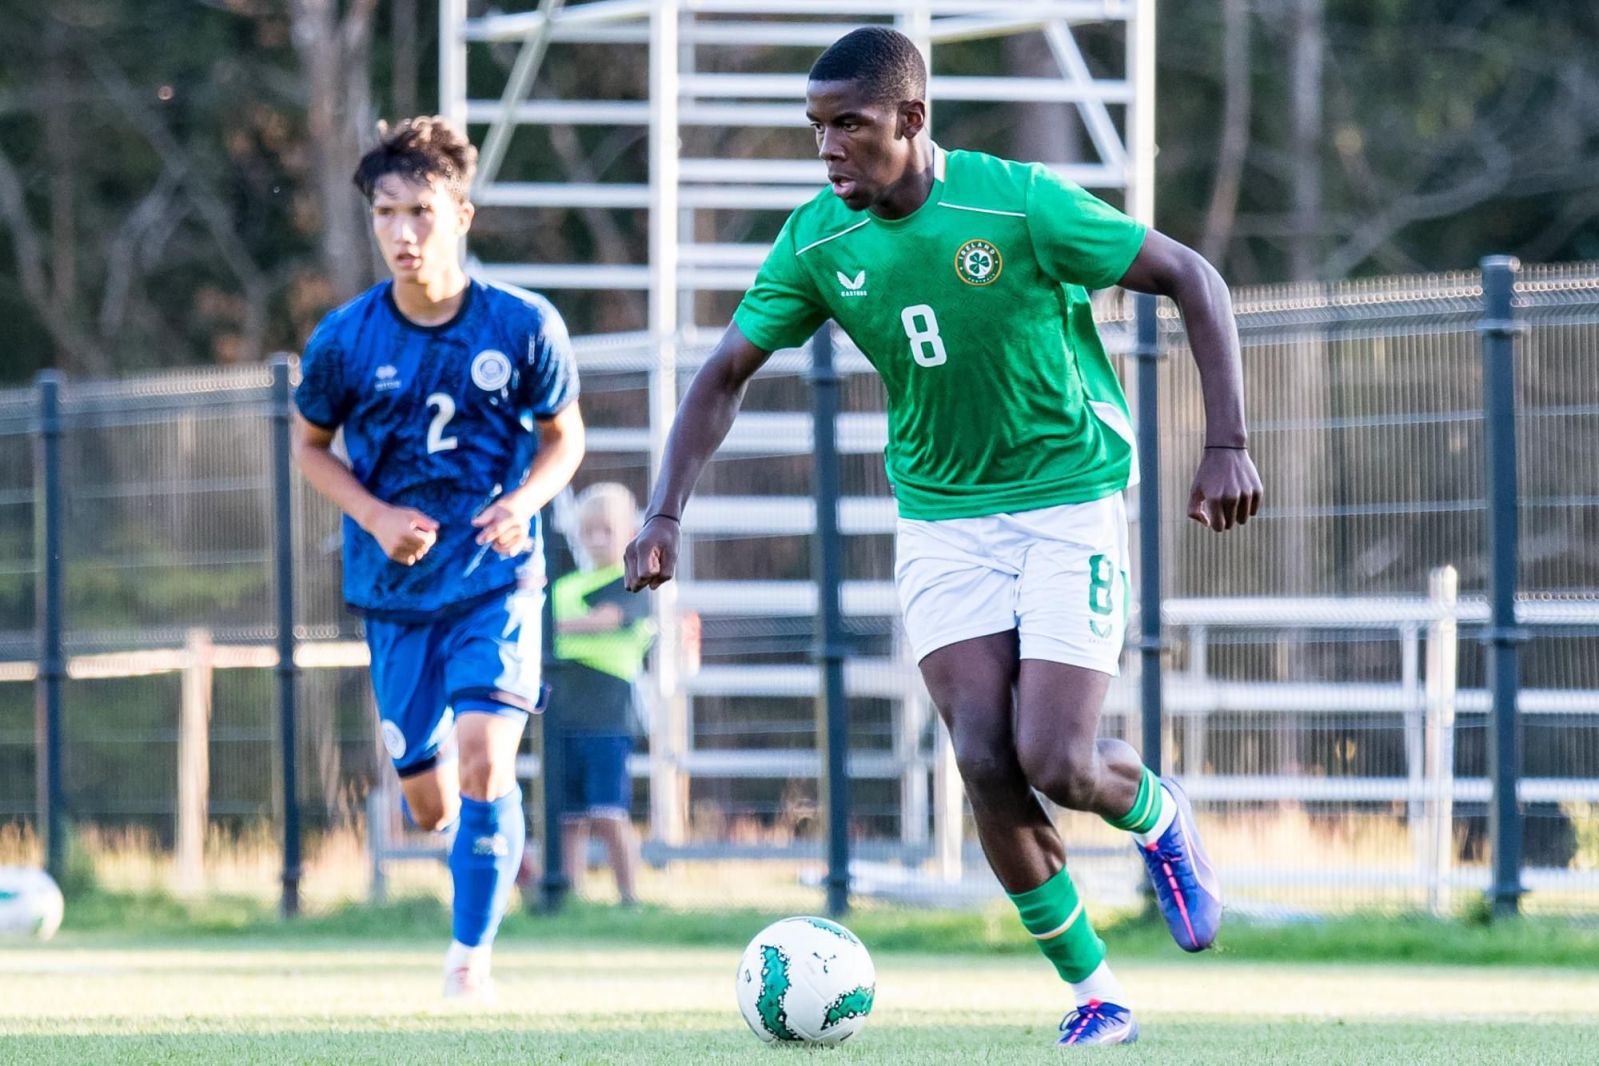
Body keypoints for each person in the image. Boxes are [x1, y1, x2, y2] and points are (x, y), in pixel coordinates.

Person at [624, 27, 1262, 1048]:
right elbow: (723, 375)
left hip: (1067, 498)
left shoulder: (1017, 202)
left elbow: (1195, 278)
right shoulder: (818, 243)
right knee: (980, 755)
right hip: (940, 519)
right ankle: (1096, 990)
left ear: (911, 121)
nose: (829, 149)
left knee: (1054, 757)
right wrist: (664, 513)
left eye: (850, 126)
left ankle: (1152, 813)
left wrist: (1225, 441)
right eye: (816, 129)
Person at [291, 116, 583, 1000]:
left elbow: (564, 439)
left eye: (421, 211)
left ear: (462, 213)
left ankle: (470, 960)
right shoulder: (345, 339)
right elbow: (307, 446)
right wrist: (377, 515)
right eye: (386, 213)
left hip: (495, 580)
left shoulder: (523, 323)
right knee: (428, 803)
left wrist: (522, 505)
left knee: (488, 756)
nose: (402, 232)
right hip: (392, 590)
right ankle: (473, 841)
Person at [551, 483, 657, 906]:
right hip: (564, 713)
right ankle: (569, 898)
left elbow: (607, 620)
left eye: (606, 530)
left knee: (609, 813)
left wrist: (552, 628)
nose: (596, 539)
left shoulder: (633, 580)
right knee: (567, 816)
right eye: (588, 530)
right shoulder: (565, 587)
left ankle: (629, 897)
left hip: (609, 717)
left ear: (628, 531)